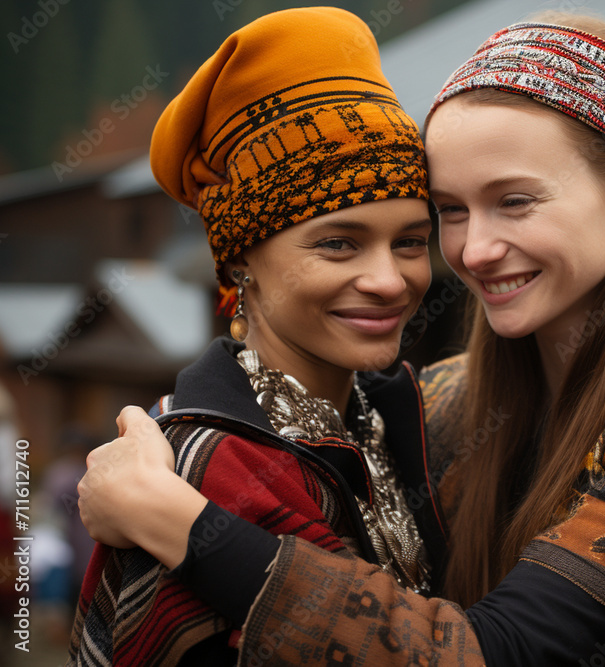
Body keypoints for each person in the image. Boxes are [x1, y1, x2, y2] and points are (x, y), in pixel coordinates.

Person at [78, 10, 605, 666]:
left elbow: (499, 651)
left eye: (514, 201)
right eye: (452, 211)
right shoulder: (438, 404)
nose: (474, 250)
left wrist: (176, 520)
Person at [66, 7, 446, 666]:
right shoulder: (202, 466)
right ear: (241, 260)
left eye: (411, 242)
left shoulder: (396, 414)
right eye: (338, 243)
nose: (390, 281)